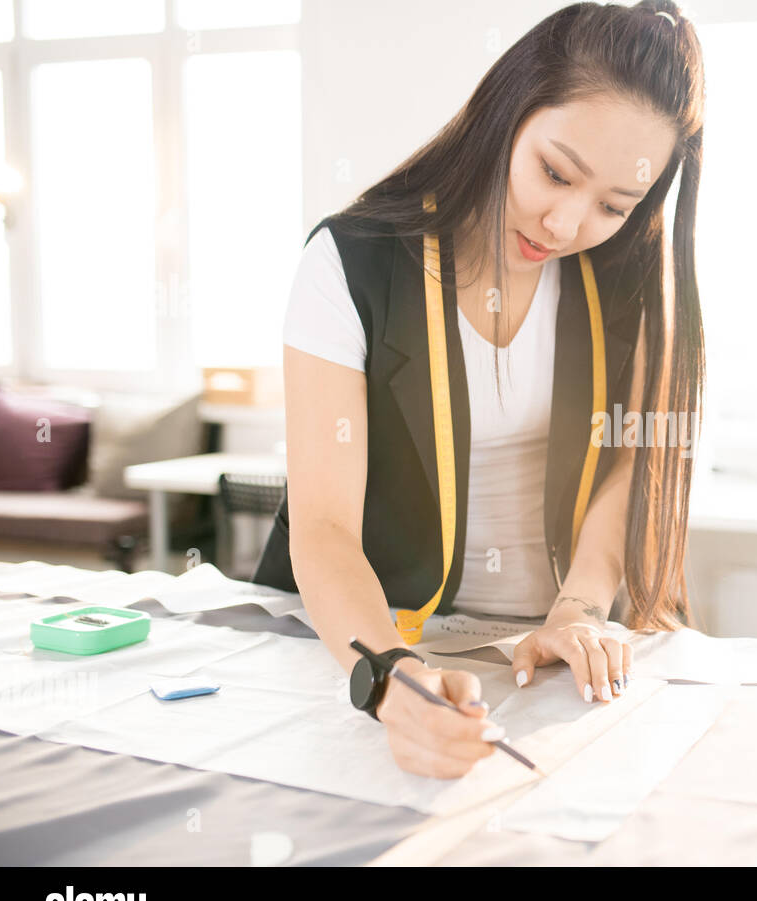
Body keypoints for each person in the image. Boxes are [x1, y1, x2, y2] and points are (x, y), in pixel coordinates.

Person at [252, 1, 707, 778]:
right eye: (555, 173)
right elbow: (322, 526)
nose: (565, 224)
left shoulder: (628, 277)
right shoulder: (352, 262)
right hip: (377, 640)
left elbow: (630, 467)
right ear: (506, 110)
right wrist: (391, 677)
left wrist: (580, 612)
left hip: (552, 650)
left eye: (612, 205)